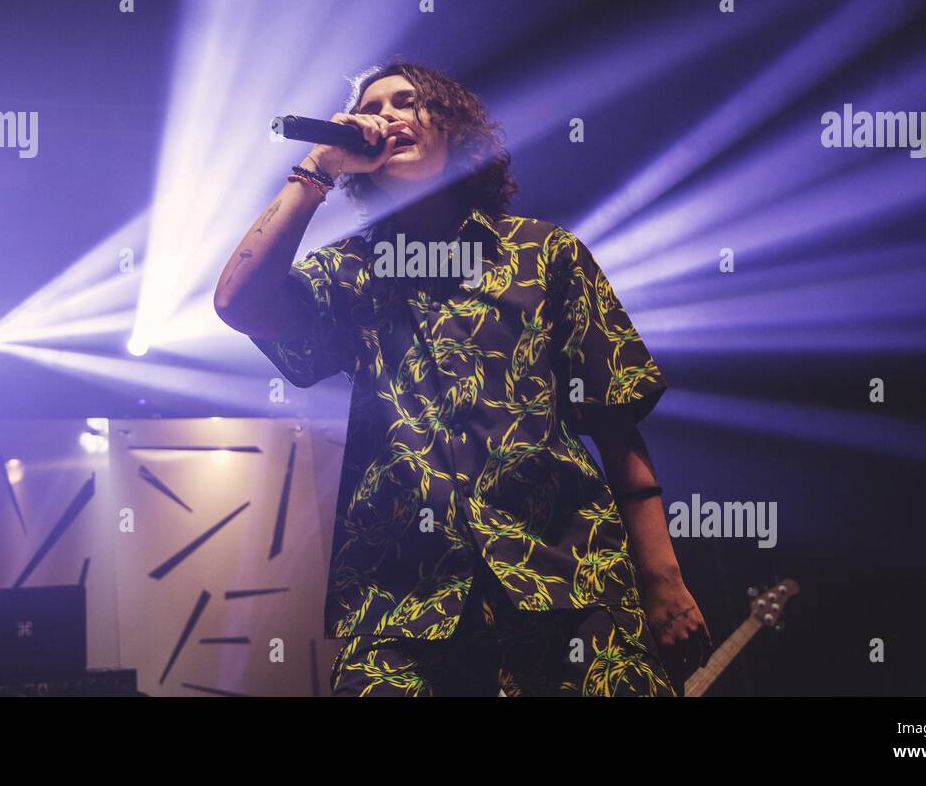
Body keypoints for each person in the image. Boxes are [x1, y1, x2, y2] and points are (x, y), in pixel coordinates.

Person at [215, 60, 710, 696]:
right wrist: (319, 169)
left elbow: (616, 428)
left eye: (407, 102)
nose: (386, 116)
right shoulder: (352, 271)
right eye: (374, 107)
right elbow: (238, 303)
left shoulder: (545, 254)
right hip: (403, 598)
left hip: (566, 580)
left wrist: (663, 579)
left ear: (454, 129)